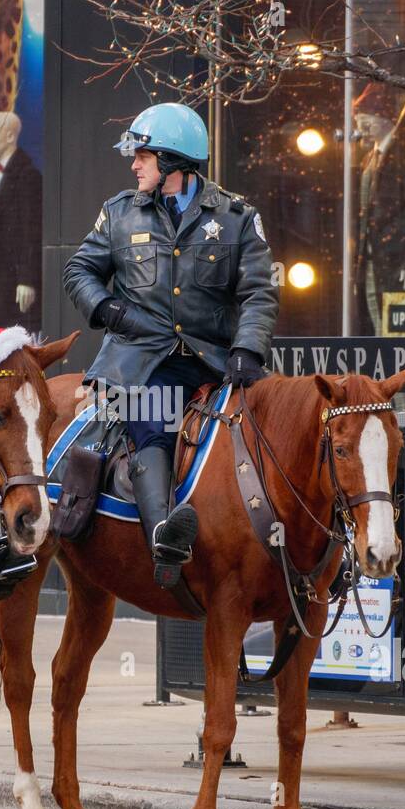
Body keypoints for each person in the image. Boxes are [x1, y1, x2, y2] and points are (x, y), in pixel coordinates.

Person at [63, 102, 279, 587]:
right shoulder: (118, 214)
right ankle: (162, 533)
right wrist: (108, 309)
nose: (133, 164)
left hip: (217, 363)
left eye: (142, 155)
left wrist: (248, 349)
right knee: (152, 424)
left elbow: (259, 293)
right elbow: (78, 271)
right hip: (143, 364)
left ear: (172, 162)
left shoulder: (238, 218)